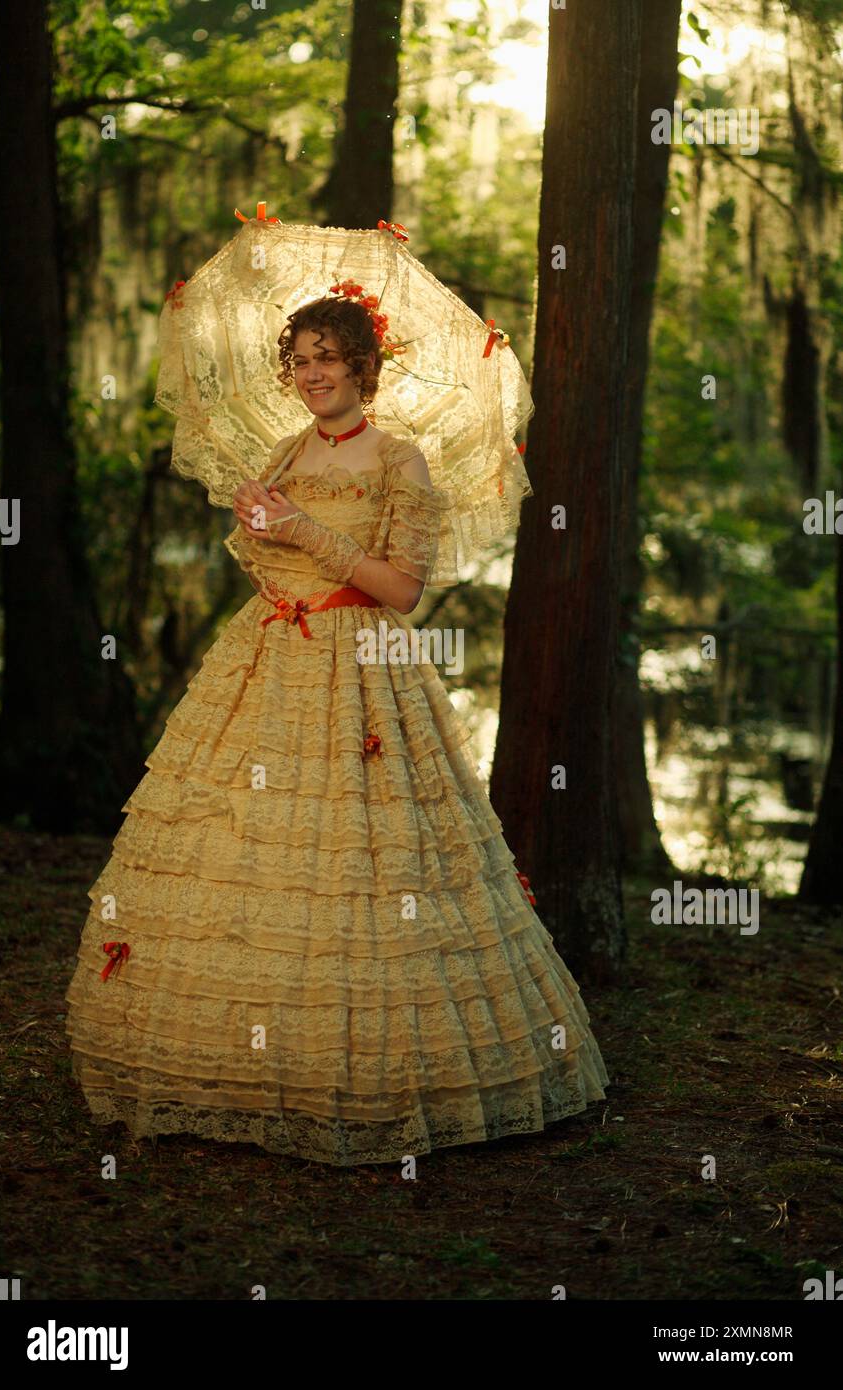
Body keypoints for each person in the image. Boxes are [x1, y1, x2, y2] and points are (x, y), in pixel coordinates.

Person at [64, 291, 610, 1166]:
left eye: (330, 357)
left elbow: (401, 591)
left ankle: (363, 1077)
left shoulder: (403, 461)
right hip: (269, 662)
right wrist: (258, 528)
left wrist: (303, 530)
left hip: (362, 678)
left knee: (357, 858)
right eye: (302, 360)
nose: (314, 373)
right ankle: (225, 1064)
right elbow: (271, 563)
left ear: (364, 366)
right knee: (245, 849)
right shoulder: (282, 453)